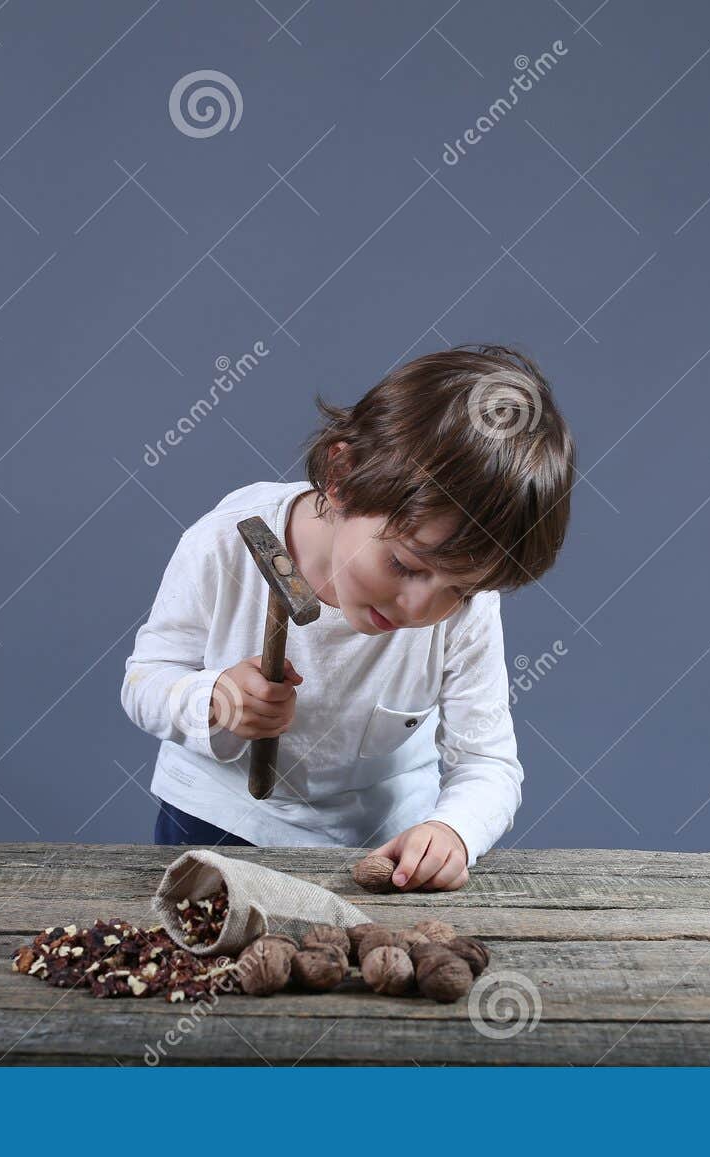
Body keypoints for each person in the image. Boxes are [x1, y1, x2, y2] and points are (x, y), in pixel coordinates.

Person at [121, 344, 575, 891]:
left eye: (459, 589)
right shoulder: (222, 544)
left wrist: (453, 829)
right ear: (341, 477)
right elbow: (144, 682)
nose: (422, 609)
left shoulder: (468, 606)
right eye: (404, 565)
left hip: (381, 844)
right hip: (216, 822)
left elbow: (488, 762)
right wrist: (213, 699)